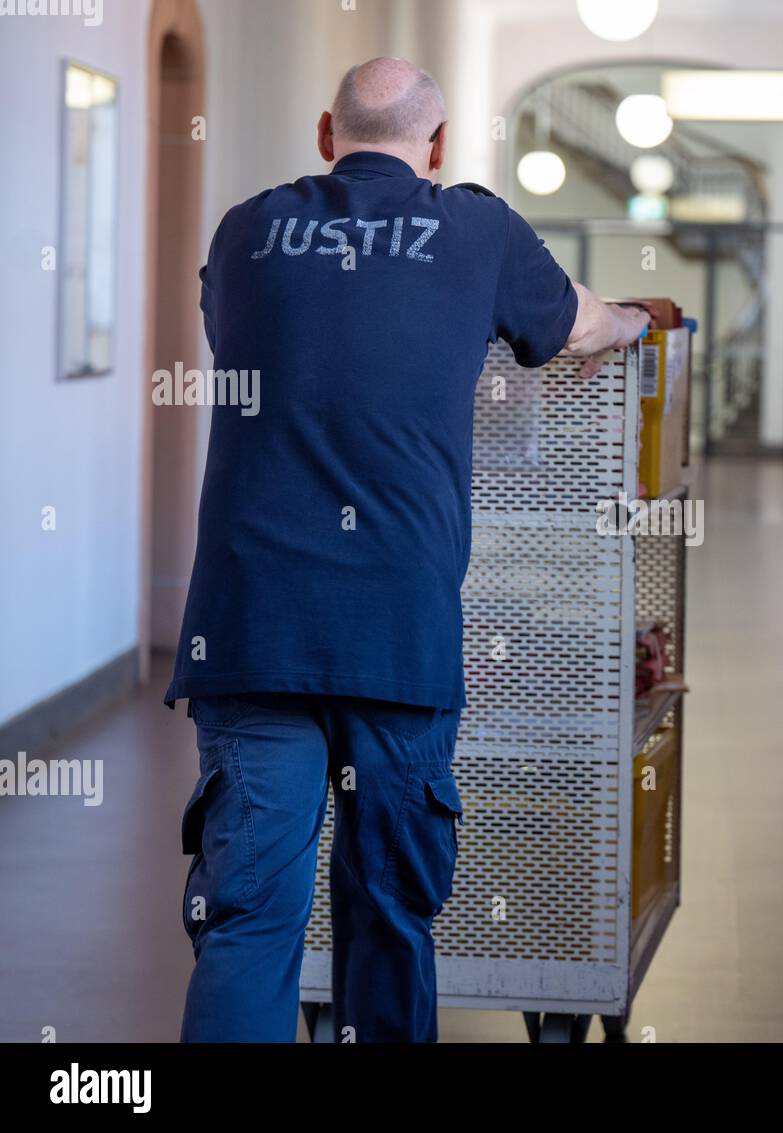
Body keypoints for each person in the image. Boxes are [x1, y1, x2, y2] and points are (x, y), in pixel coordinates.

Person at [164, 57, 649, 1043]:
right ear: (437, 146)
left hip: (250, 630)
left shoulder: (246, 230)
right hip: (398, 630)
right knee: (389, 913)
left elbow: (255, 332)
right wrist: (637, 319)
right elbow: (574, 328)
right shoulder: (477, 230)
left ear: (323, 133)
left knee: (247, 917)